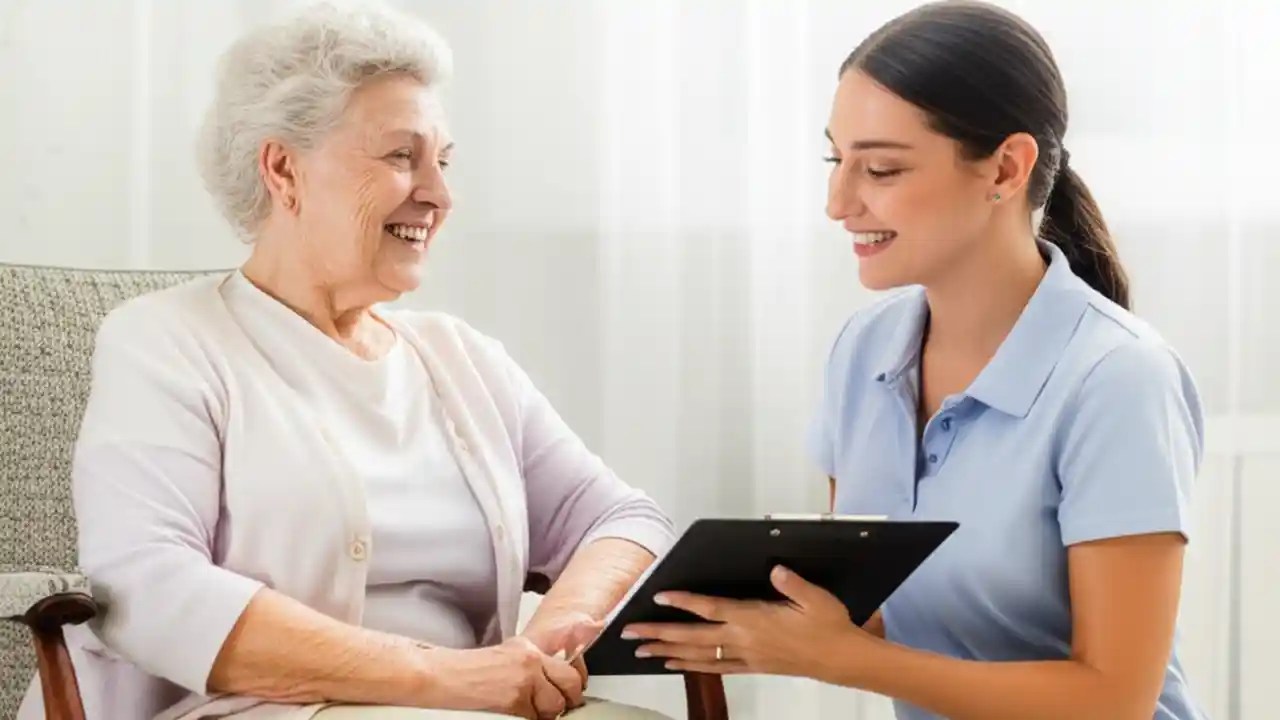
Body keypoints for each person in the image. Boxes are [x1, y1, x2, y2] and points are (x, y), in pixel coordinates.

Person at [17, 3, 675, 719]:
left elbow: (621, 517)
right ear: (282, 168)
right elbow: (147, 587)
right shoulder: (167, 343)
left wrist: (548, 640)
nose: (439, 194)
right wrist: (443, 678)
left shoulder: (461, 361)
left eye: (443, 162)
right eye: (401, 156)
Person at [623, 2, 1205, 719]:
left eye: (882, 168)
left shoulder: (1118, 379)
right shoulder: (863, 352)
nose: (838, 202)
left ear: (1006, 168)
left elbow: (1114, 699)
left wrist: (843, 659)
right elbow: (868, 616)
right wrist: (724, 615)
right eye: (837, 160)